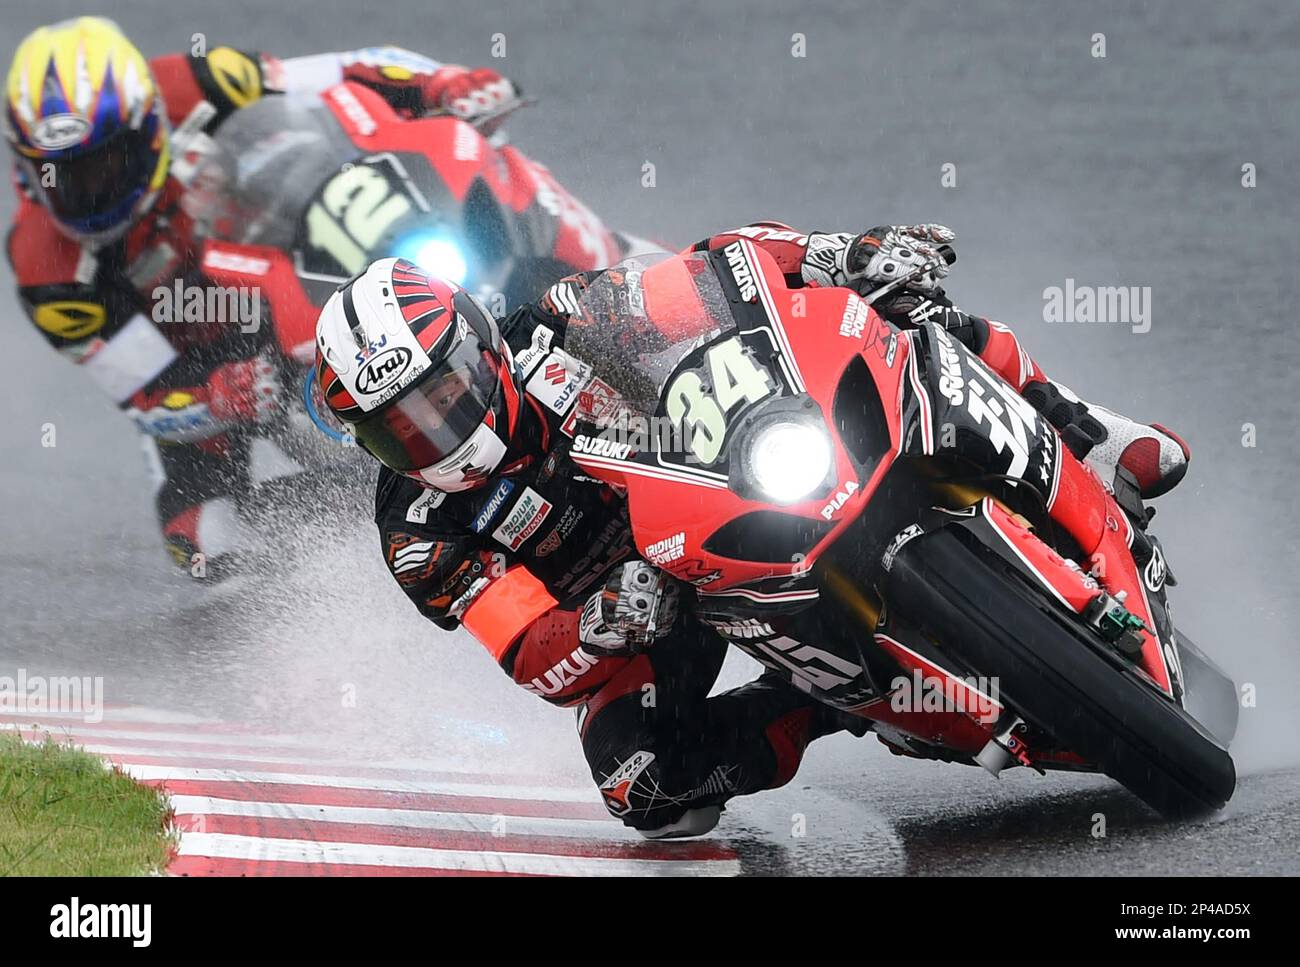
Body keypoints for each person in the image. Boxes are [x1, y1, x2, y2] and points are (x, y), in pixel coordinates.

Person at [311, 223, 1189, 837]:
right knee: (646, 792)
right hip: (655, 606)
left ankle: (1087, 430)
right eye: (405, 426)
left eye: (445, 392)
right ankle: (828, 704)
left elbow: (722, 272)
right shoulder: (420, 532)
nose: (440, 429)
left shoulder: (566, 323)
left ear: (478, 346)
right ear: (368, 438)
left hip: (731, 484)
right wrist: (598, 624)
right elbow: (528, 650)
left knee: (898, 309)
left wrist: (837, 254)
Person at [4, 16, 522, 576]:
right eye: (63, 175)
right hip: (201, 367)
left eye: (109, 163)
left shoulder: (188, 84)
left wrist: (441, 85)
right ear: (27, 168)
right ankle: (350, 565)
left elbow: (343, 69)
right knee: (199, 540)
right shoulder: (50, 276)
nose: (90, 195)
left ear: (148, 128)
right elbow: (142, 396)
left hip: (280, 256)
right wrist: (215, 397)